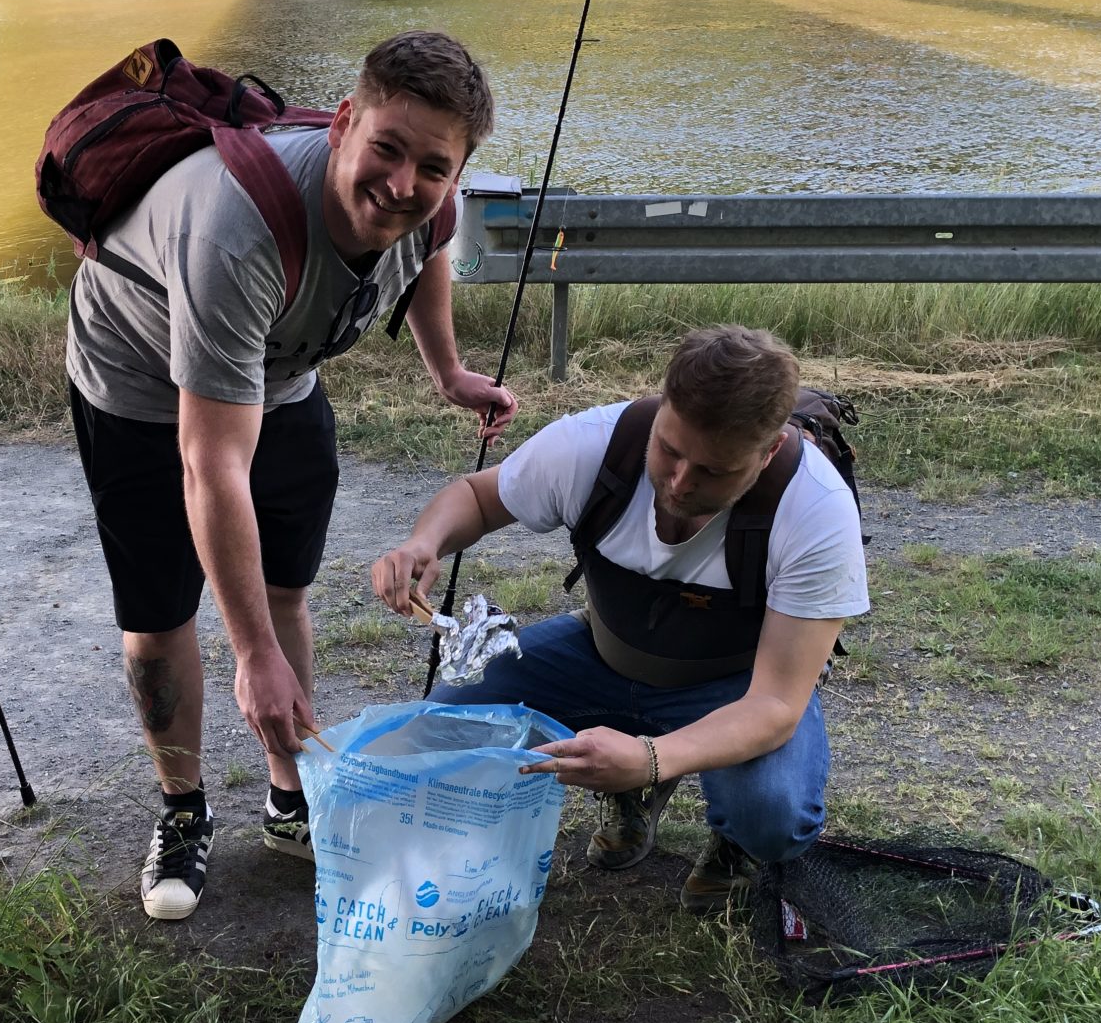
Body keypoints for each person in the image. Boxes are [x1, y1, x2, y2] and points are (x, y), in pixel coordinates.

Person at [68, 30, 516, 921]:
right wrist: (252, 658)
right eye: (385, 148)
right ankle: (184, 808)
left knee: (285, 591)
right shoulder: (238, 230)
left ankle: (289, 793)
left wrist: (448, 374)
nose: (401, 183)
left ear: (456, 171)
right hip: (140, 387)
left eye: (433, 165)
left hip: (279, 375)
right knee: (162, 614)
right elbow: (212, 463)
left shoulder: (434, 205)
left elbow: (427, 254)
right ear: (345, 121)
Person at [371, 326, 867, 911]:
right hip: (602, 653)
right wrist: (423, 541)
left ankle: (732, 840)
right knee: (445, 731)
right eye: (671, 451)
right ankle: (634, 780)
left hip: (734, 688)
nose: (680, 483)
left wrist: (651, 760)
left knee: (774, 815)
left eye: (713, 471)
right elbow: (478, 498)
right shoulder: (596, 444)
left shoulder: (815, 509)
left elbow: (776, 706)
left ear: (768, 453)